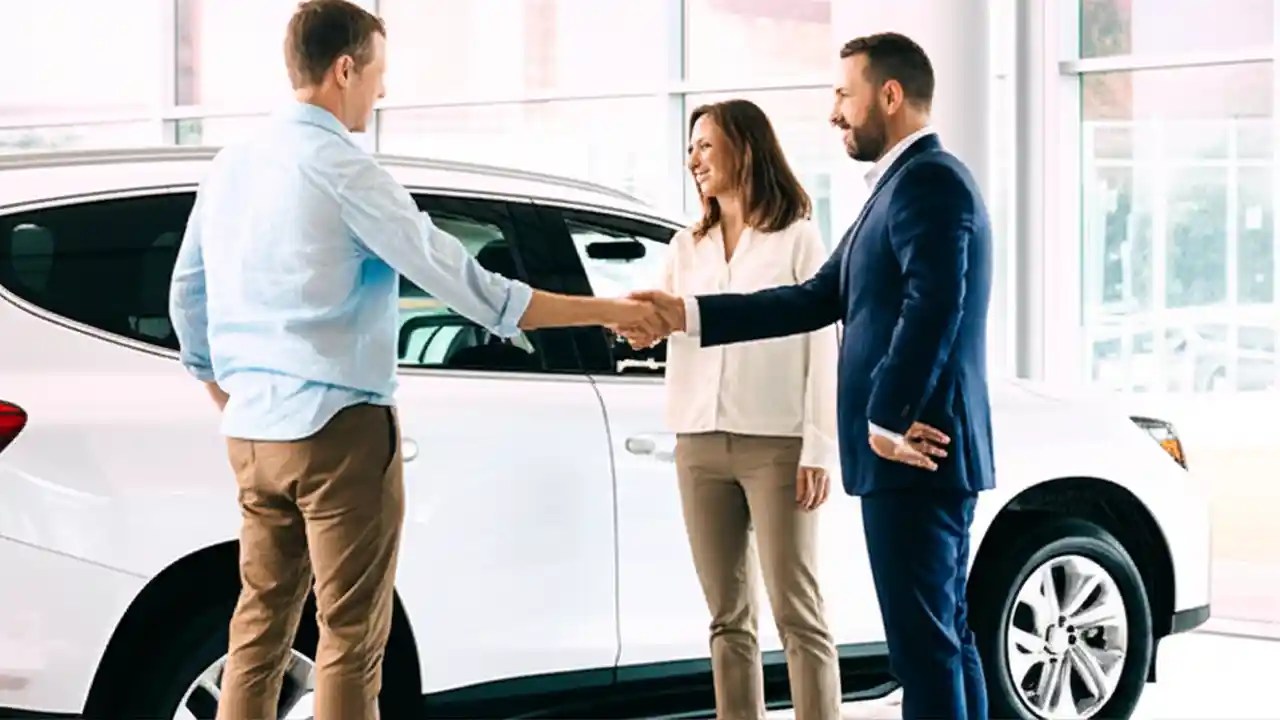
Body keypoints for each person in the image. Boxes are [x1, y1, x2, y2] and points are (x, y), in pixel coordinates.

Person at [167, 2, 649, 718]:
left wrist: (230, 398)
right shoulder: (344, 171)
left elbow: (186, 299)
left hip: (253, 435)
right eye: (378, 74)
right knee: (351, 637)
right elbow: (475, 290)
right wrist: (613, 310)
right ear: (344, 69)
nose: (381, 92)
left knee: (257, 628)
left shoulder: (231, 165)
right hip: (336, 432)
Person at [623, 32, 994, 720]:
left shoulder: (929, 183)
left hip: (915, 448)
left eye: (843, 95)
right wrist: (687, 314)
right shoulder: (896, 190)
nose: (834, 113)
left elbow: (936, 304)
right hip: (910, 450)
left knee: (926, 648)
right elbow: (815, 300)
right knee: (944, 638)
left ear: (889, 95)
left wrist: (883, 416)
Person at [658, 99, 842, 720]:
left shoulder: (798, 236)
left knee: (798, 612)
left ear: (744, 147)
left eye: (706, 145)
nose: (694, 159)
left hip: (777, 443)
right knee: (727, 617)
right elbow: (674, 325)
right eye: (691, 148)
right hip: (699, 443)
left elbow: (823, 342)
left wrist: (818, 446)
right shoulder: (688, 246)